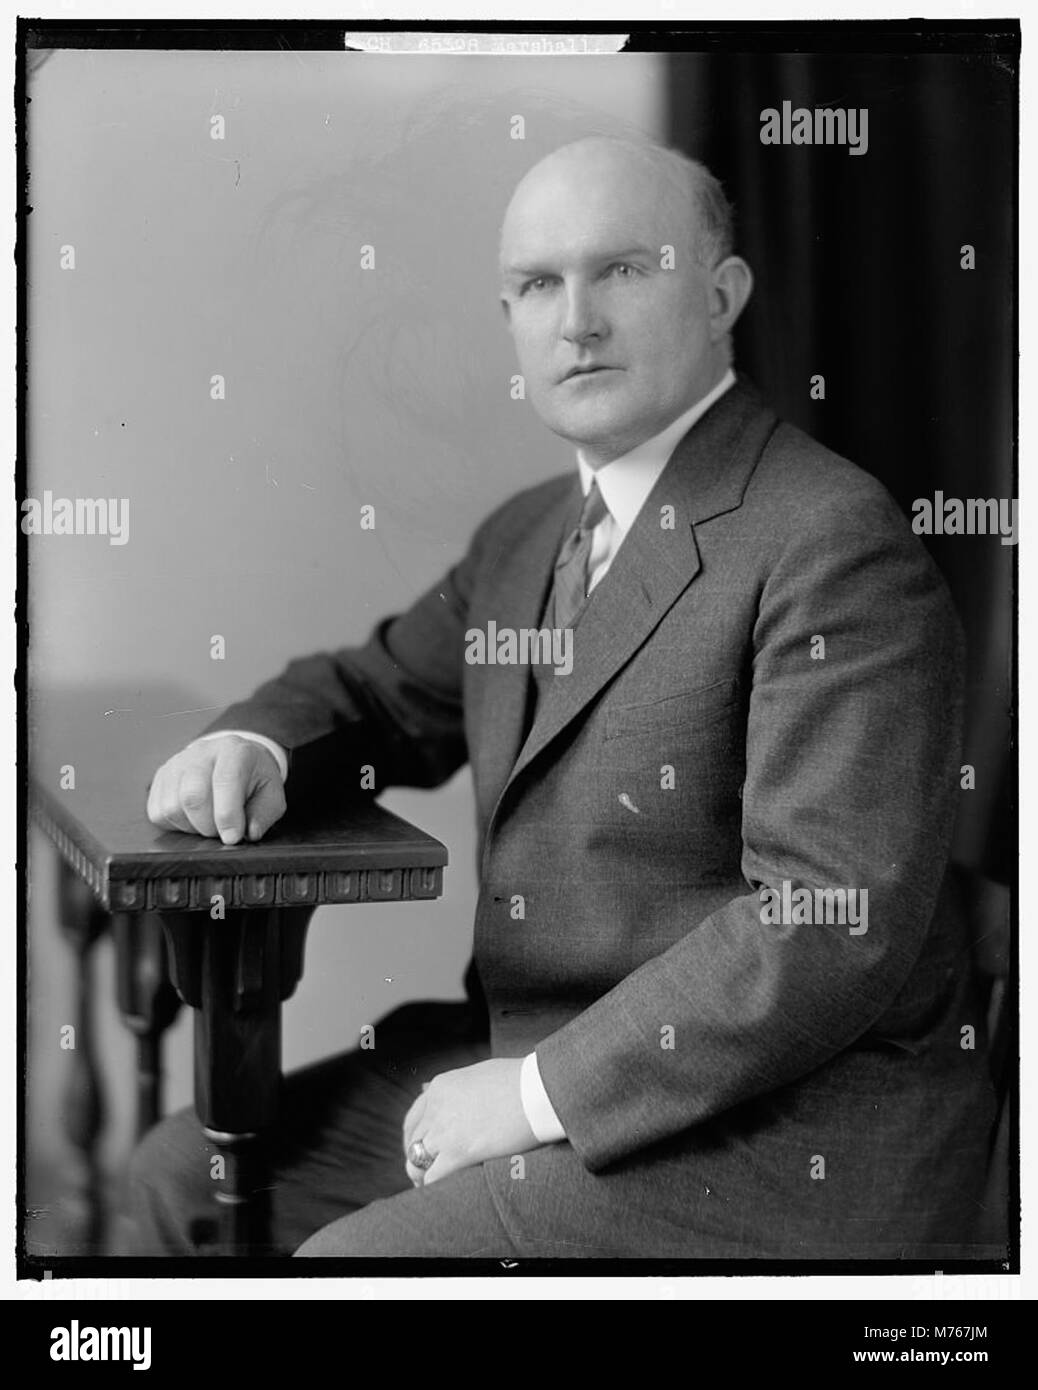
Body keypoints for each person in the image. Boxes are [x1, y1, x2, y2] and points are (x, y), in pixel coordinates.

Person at [129, 135, 994, 1258]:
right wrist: (257, 741)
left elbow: (823, 922)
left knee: (348, 1269)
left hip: (772, 1134)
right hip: (552, 1063)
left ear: (723, 293)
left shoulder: (830, 539)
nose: (576, 318)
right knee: (179, 1173)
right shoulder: (529, 536)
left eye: (624, 271)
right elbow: (377, 692)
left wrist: (534, 1095)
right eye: (538, 285)